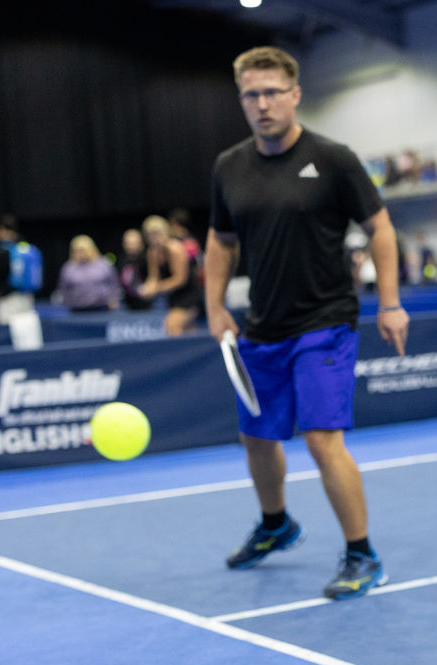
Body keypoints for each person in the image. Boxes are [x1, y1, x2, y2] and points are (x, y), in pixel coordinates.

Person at [204, 46, 409, 599]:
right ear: (241, 100)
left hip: (326, 322)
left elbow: (381, 228)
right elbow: (221, 243)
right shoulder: (230, 166)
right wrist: (214, 305)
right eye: (252, 94)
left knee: (321, 438)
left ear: (295, 95)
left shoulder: (334, 158)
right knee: (256, 437)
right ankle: (276, 525)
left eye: (273, 92)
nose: (263, 104)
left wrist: (389, 303)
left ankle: (362, 555)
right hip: (261, 327)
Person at [140, 215, 201, 335]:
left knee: (172, 326)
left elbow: (180, 279)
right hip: (173, 298)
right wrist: (147, 288)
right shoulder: (152, 252)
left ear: (165, 232)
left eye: (157, 234)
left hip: (190, 295)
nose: (154, 238)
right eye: (150, 235)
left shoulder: (175, 249)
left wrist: (157, 288)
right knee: (188, 331)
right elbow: (153, 278)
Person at [0, 214, 40, 325]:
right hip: (27, 298)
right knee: (26, 332)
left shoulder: (1, 252)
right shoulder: (26, 248)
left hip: (8, 300)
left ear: (2, 230)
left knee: (7, 334)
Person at [57, 235, 121, 313]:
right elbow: (63, 288)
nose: (81, 253)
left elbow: (114, 284)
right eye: (77, 250)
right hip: (76, 310)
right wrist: (67, 303)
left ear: (91, 249)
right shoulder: (68, 268)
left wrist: (114, 299)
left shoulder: (104, 264)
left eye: (83, 250)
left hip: (102, 308)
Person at [116, 228, 152, 310]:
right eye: (128, 243)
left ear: (141, 244)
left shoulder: (148, 259)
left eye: (134, 243)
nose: (131, 246)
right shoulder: (122, 260)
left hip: (149, 303)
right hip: (128, 303)